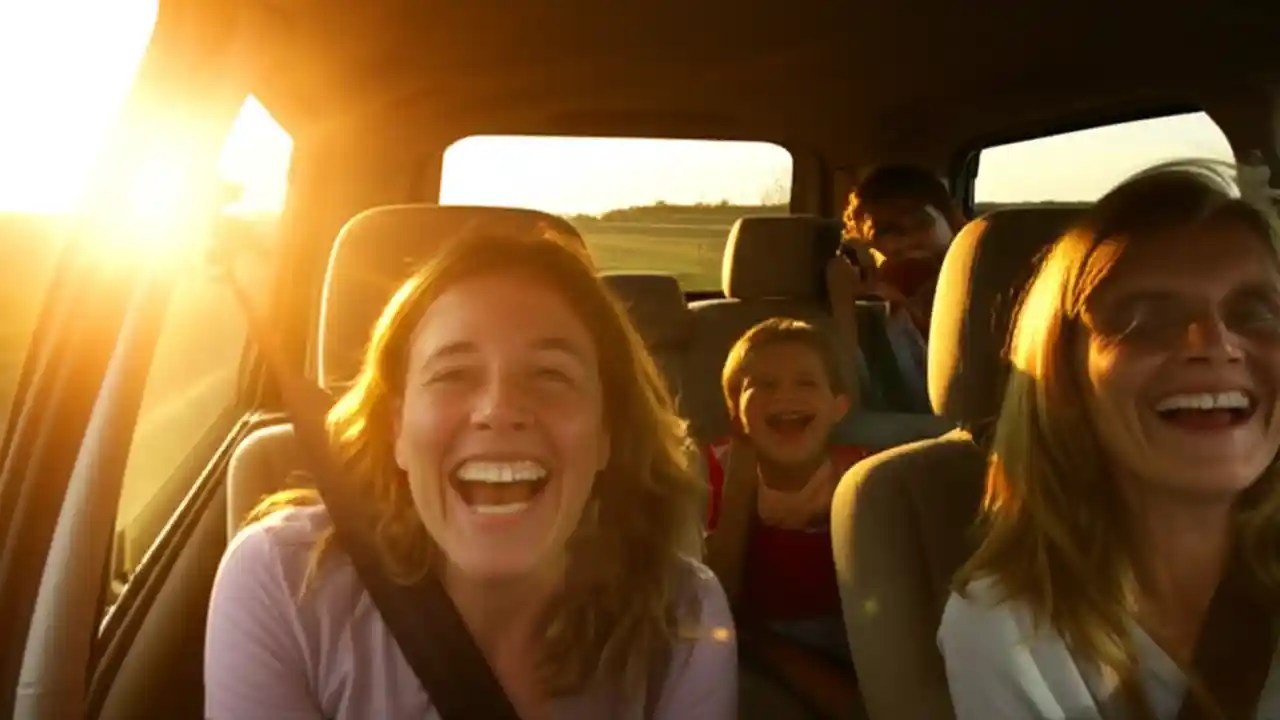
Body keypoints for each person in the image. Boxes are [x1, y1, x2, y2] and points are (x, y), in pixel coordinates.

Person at [204, 229, 737, 719]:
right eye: (453, 374)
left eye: (551, 374)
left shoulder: (682, 621)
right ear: (397, 429)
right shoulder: (285, 583)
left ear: (605, 433)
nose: (499, 410)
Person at [938, 163, 1280, 719]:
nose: (1216, 344)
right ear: (1065, 376)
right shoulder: (1011, 630)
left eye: (1256, 313)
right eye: (1145, 320)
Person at [702, 317, 868, 719]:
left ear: (839, 407)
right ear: (735, 411)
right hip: (748, 636)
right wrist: (739, 486)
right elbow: (713, 597)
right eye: (764, 385)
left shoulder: (863, 474)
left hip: (852, 634)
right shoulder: (710, 473)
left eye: (806, 383)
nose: (785, 396)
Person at [827, 164, 967, 339]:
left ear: (952, 221)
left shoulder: (978, 287)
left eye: (920, 223)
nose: (906, 241)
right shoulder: (863, 302)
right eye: (886, 231)